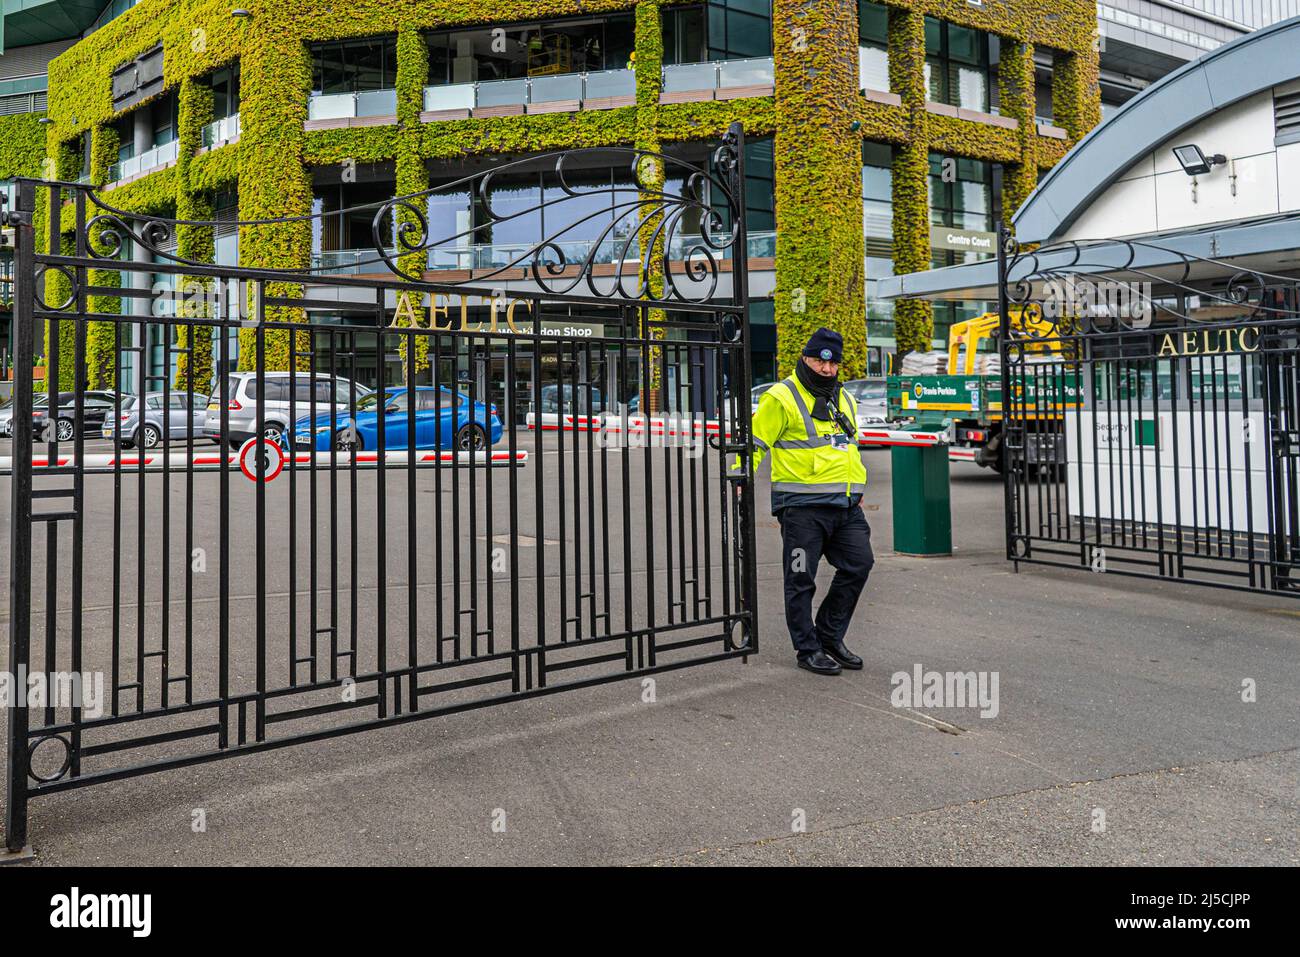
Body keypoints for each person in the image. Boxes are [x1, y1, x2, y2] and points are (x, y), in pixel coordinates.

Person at [743, 328, 874, 676]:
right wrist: (740, 478)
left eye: (833, 364)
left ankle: (829, 636)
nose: (826, 370)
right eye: (819, 361)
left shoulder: (842, 396)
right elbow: (754, 442)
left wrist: (853, 490)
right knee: (801, 578)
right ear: (805, 358)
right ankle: (808, 648)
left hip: (845, 507)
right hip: (802, 508)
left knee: (859, 564)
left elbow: (847, 446)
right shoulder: (781, 396)